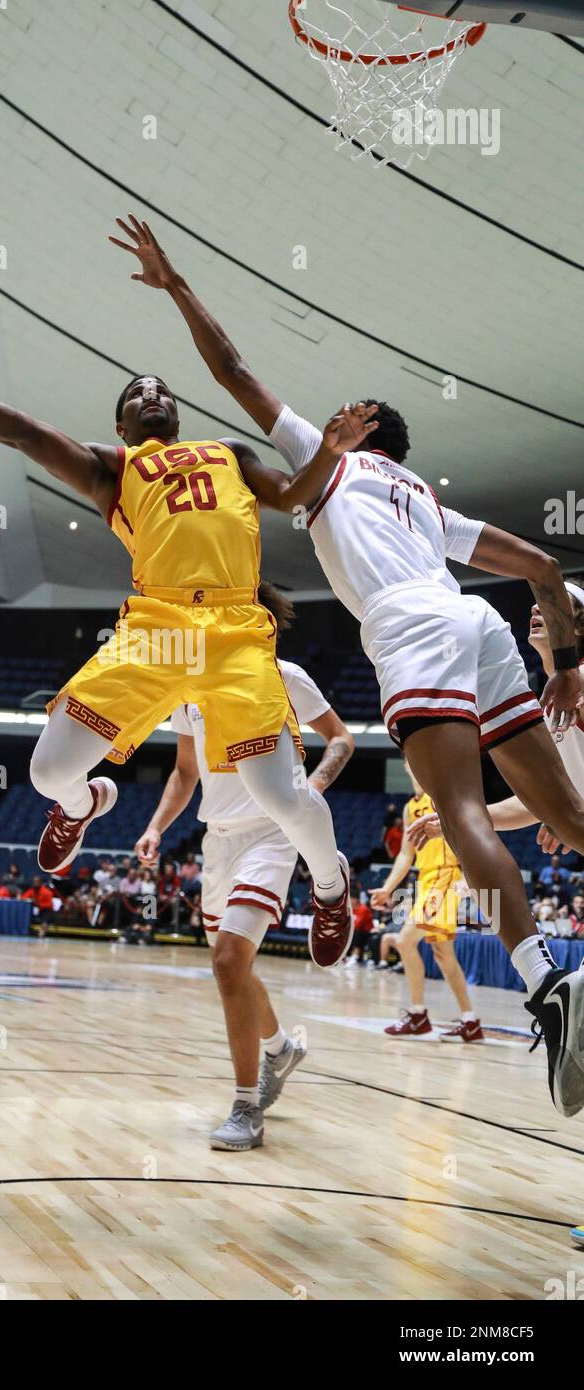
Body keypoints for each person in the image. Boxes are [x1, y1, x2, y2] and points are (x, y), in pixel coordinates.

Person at [114, 214, 584, 1118]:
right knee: (570, 813)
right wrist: (564, 656)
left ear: (361, 434)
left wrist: (174, 285)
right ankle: (552, 980)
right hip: (477, 620)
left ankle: (545, 985)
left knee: (458, 812)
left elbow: (232, 372)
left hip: (414, 634)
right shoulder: (423, 502)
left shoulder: (333, 467)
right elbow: (545, 568)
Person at [0, 315, 374, 970]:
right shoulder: (113, 468)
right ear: (124, 426)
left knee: (279, 797)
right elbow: (21, 431)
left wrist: (330, 448)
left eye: (161, 390)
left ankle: (330, 887)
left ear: (177, 417)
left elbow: (298, 493)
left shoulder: (231, 456)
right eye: (137, 393)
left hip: (236, 635)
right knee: (47, 773)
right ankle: (87, 804)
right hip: (155, 633)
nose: (152, 392)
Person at [135, 581, 353, 1149]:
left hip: (272, 834)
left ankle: (245, 1108)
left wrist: (313, 788)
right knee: (235, 967)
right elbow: (185, 774)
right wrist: (157, 825)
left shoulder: (286, 676)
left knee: (230, 962)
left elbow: (341, 739)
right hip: (218, 841)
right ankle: (281, 1050)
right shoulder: (190, 689)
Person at [370, 761, 483, 1041]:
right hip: (427, 880)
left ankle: (418, 1015)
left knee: (405, 940)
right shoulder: (410, 807)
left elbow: (468, 834)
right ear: (406, 766)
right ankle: (470, 1022)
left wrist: (468, 876)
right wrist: (387, 889)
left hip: (447, 878)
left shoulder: (441, 795)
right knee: (443, 956)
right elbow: (406, 855)